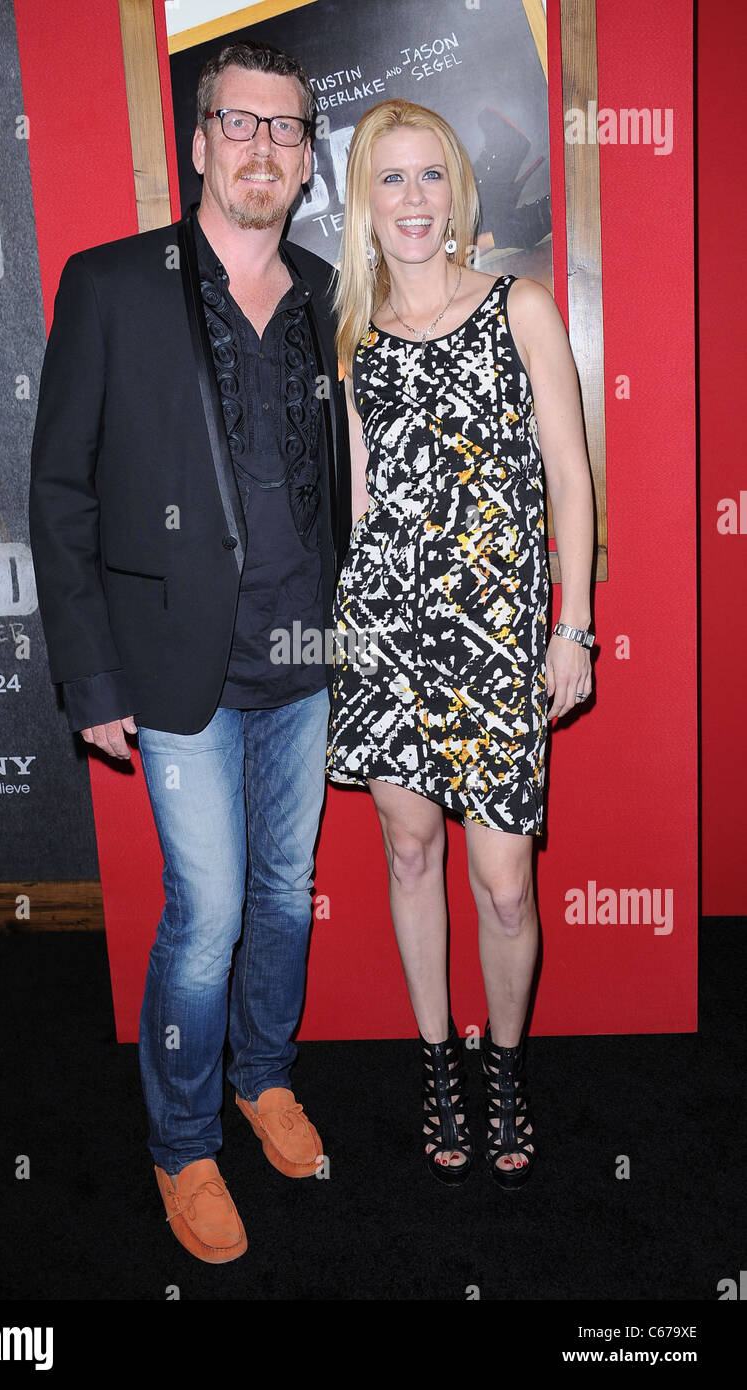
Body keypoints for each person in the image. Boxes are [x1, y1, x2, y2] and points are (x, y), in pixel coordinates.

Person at [29, 39, 351, 1261]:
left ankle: (261, 1077)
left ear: (305, 156)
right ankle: (180, 1144)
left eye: (285, 129)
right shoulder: (112, 283)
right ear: (200, 138)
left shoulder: (328, 290)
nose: (262, 147)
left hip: (306, 664)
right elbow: (58, 489)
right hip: (175, 674)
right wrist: (91, 674)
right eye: (241, 123)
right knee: (207, 907)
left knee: (281, 893)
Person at [326, 99, 595, 1189]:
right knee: (407, 851)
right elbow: (349, 503)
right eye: (387, 179)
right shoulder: (349, 336)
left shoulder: (519, 307)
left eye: (427, 175)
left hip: (496, 637)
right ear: (360, 201)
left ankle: (504, 1061)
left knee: (500, 883)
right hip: (386, 632)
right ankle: (437, 1056)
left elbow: (571, 479)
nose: (410, 199)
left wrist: (569, 625)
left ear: (456, 192)